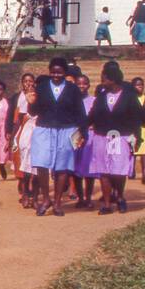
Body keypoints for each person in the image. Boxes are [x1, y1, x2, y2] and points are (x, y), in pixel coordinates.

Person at [29, 57, 88, 217]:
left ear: (65, 72)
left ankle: (57, 202)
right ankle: (46, 199)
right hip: (44, 129)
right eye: (53, 72)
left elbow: (80, 112)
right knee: (41, 163)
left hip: (66, 130)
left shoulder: (72, 89)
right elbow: (33, 112)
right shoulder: (41, 87)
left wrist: (83, 133)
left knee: (62, 167)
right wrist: (31, 102)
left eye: (59, 72)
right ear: (49, 72)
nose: (56, 75)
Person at [88, 62, 143, 215]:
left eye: (104, 78)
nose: (102, 81)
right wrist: (82, 127)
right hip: (102, 137)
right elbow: (92, 115)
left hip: (120, 137)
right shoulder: (101, 96)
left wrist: (137, 138)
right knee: (104, 171)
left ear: (113, 79)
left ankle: (120, 197)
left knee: (118, 171)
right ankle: (106, 204)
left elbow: (136, 118)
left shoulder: (129, 96)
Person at [11, 73, 37, 205]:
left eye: (31, 81)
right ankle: (25, 192)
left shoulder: (39, 97)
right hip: (24, 135)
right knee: (23, 165)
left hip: (37, 135)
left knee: (35, 167)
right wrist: (12, 138)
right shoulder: (20, 99)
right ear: (22, 83)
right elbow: (18, 121)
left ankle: (34, 195)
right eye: (26, 81)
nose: (28, 83)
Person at [73, 74, 97, 208]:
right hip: (76, 136)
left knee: (89, 169)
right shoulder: (72, 101)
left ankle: (88, 198)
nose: (81, 86)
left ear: (89, 85)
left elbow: (99, 118)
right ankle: (80, 198)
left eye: (84, 83)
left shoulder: (94, 100)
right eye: (79, 84)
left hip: (90, 137)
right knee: (76, 169)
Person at [15, 85, 40, 208]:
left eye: (34, 93)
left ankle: (35, 197)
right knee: (26, 172)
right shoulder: (25, 114)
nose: (32, 96)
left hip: (39, 141)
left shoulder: (42, 112)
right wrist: (15, 141)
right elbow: (19, 126)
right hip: (26, 141)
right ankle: (25, 194)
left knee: (37, 172)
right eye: (29, 94)